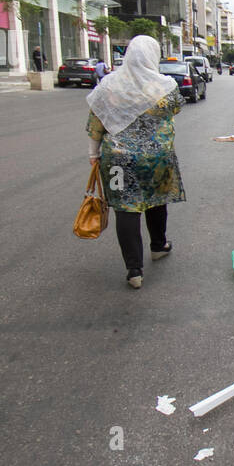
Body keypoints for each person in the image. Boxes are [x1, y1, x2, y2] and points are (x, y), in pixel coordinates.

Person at [85, 35, 185, 288]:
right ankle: (158, 245)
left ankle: (134, 270)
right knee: (156, 200)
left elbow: (97, 123)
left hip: (118, 160)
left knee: (125, 208)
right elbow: (176, 109)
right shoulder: (166, 86)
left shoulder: (108, 85)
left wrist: (93, 153)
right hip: (156, 158)